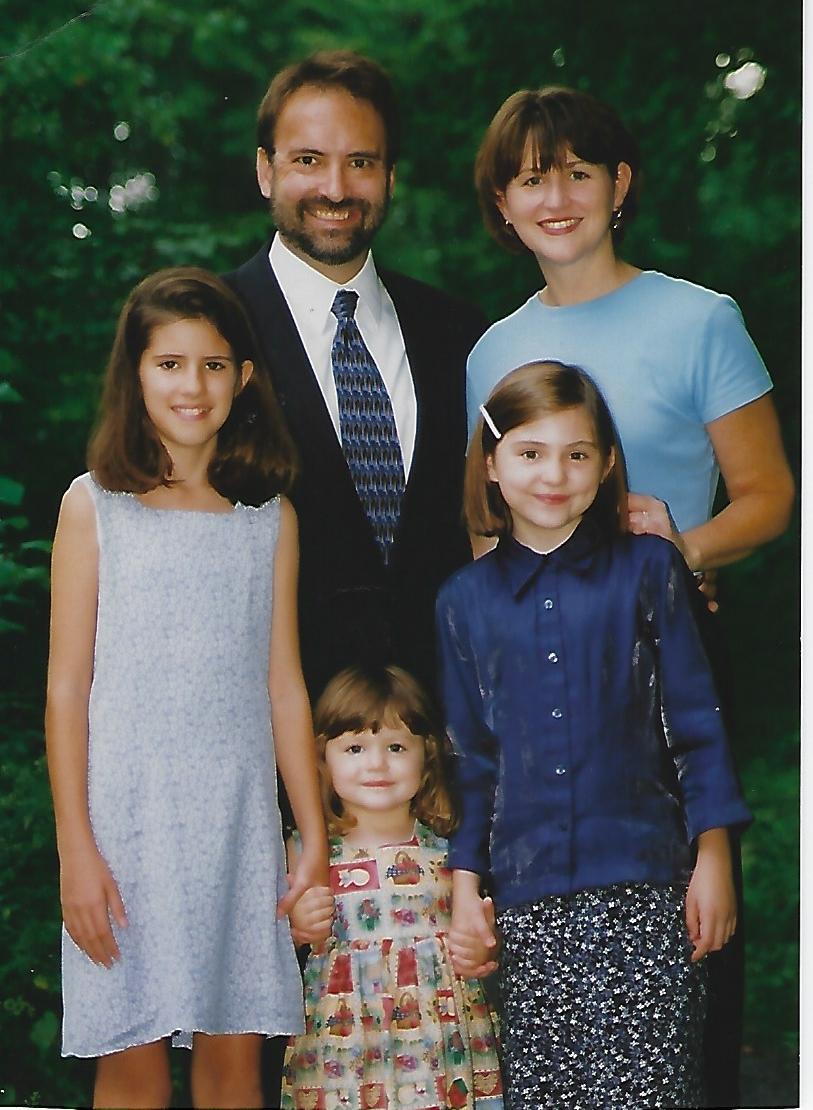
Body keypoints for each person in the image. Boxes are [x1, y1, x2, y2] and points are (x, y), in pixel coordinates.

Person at [466, 86, 794, 1105]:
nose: (555, 195)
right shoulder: (490, 350)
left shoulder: (700, 318)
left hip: (668, 664)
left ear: (620, 186)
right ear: (502, 203)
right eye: (531, 177)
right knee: (554, 960)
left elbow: (772, 499)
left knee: (692, 947)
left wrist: (682, 550)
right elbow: (483, 531)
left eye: (577, 170)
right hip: (538, 682)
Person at [45, 268, 328, 1109]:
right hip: (123, 827)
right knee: (130, 1061)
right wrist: (76, 853)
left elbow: (284, 685)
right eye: (169, 363)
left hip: (236, 826)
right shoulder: (94, 507)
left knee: (235, 1062)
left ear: (244, 377)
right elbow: (66, 689)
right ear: (135, 372)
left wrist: (308, 833)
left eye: (212, 364)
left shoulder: (268, 519)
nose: (191, 385)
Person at [436, 361, 753, 1109]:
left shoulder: (649, 570)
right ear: (490, 463)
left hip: (647, 888)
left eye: (576, 454)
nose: (554, 474)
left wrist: (712, 858)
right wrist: (463, 890)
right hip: (527, 902)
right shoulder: (463, 601)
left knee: (651, 1089)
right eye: (529, 452)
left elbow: (696, 724)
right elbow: (470, 762)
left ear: (607, 463)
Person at [225, 50, 487, 700]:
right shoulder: (208, 333)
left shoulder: (459, 334)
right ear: (265, 171)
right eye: (307, 160)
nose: (336, 189)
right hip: (265, 735)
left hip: (440, 734)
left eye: (360, 162)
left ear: (390, 176)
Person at [280, 663, 504, 1110]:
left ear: (427, 758)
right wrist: (296, 930)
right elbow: (275, 953)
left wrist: (483, 951)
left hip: (439, 1052)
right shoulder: (307, 854)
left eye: (396, 746)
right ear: (321, 760)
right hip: (343, 1059)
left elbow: (483, 944)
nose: (377, 764)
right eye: (356, 748)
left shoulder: (451, 853)